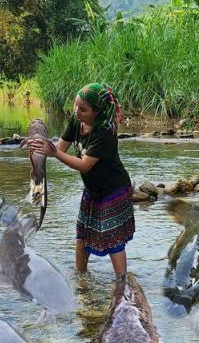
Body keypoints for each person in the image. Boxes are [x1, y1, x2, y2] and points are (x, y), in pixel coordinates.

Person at [27, 83, 134, 275]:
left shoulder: (105, 132)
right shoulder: (76, 121)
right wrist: (40, 147)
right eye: (76, 105)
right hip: (92, 190)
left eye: (83, 109)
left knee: (113, 240)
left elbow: (84, 165)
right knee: (82, 235)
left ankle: (122, 282)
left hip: (113, 191)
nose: (77, 111)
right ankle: (81, 278)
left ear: (97, 112)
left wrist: (53, 152)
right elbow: (60, 148)